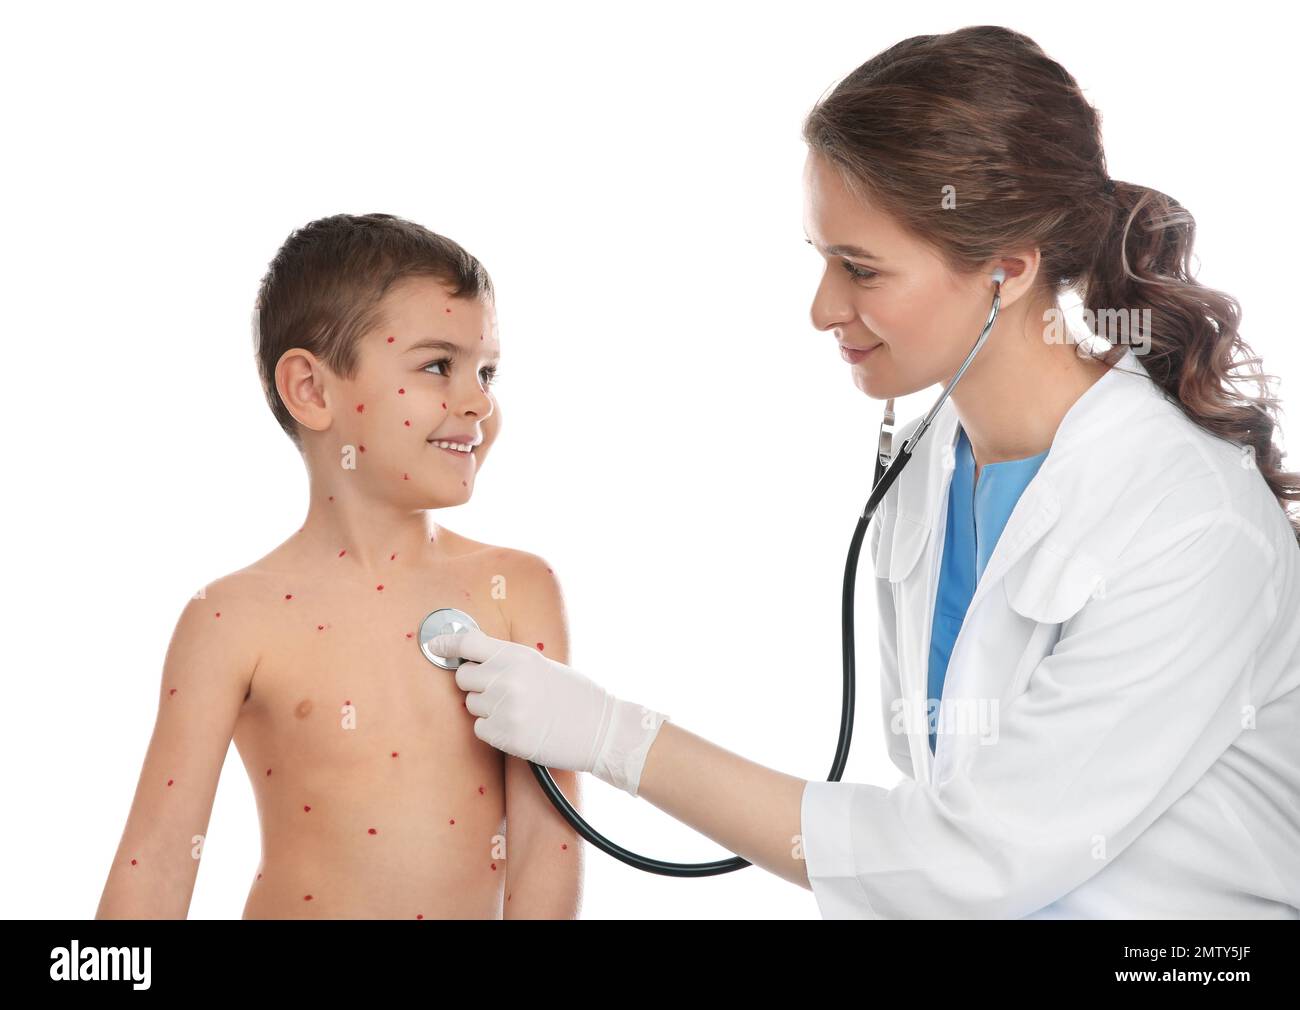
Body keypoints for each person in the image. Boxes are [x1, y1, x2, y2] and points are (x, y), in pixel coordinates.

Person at [428, 26, 1300, 919]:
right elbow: (928, 824)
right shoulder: (926, 473)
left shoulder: (1190, 525)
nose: (822, 308)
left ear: (1006, 270)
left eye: (862, 269)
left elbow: (965, 863)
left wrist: (616, 737)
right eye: (822, 259)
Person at [96, 214, 583, 919]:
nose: (479, 401)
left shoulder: (518, 592)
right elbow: (158, 861)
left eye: (487, 371)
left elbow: (546, 850)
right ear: (312, 391)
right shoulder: (231, 618)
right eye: (437, 365)